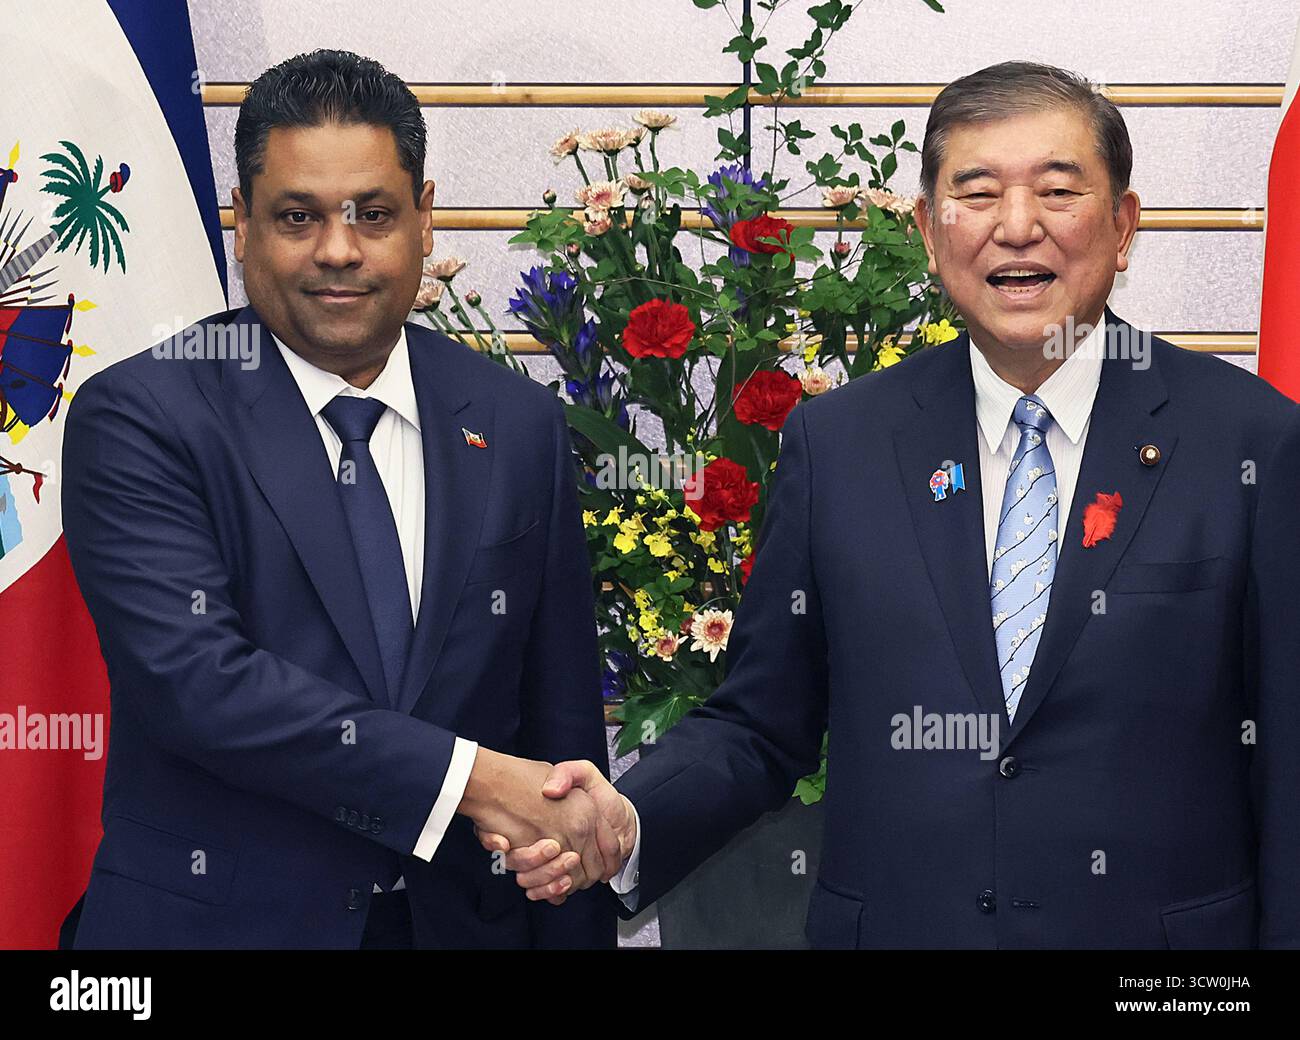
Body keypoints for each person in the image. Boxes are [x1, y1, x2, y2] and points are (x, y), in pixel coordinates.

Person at [482, 61, 1300, 949]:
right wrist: (626, 820)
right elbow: (762, 723)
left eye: (1058, 191)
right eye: (977, 193)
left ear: (1124, 225)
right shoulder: (839, 445)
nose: (1017, 227)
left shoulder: (1250, 442)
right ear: (928, 226)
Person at [61, 49, 619, 949]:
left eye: (374, 213)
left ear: (426, 220)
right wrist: (473, 781)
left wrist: (571, 856)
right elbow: (200, 685)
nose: (339, 249)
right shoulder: (142, 414)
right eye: (297, 216)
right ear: (241, 225)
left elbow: (557, 735)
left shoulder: (515, 422)